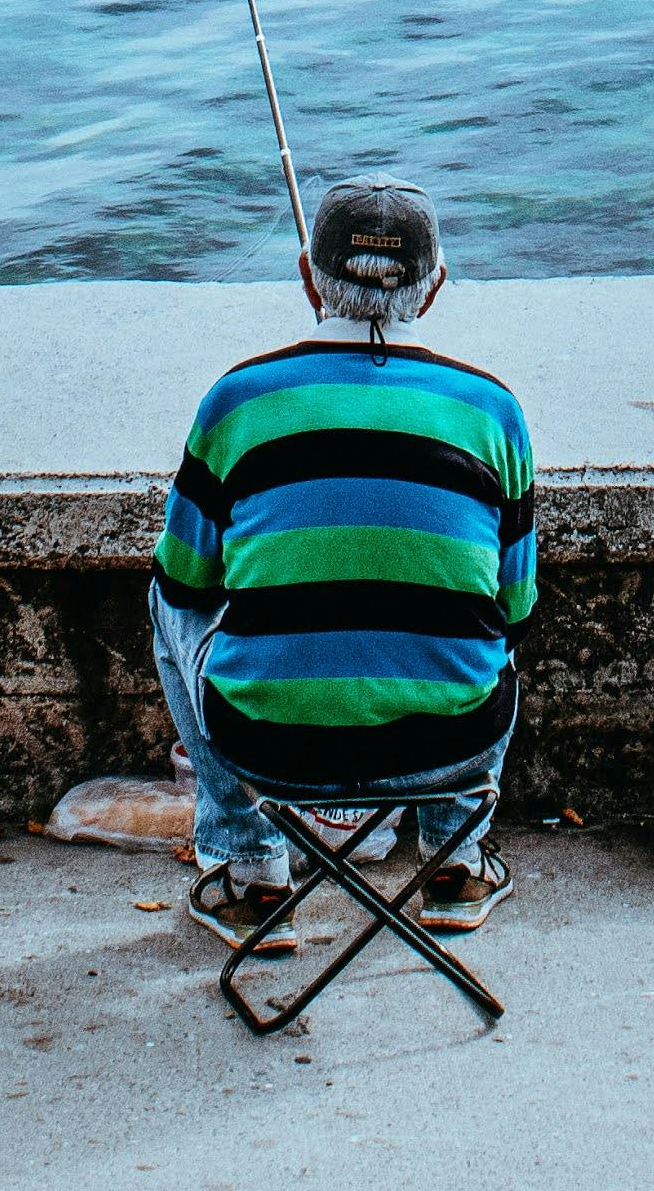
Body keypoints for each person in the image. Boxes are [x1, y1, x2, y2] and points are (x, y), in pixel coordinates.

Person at [149, 178, 536, 941]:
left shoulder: (238, 400)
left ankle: (250, 870)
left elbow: (184, 578)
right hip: (448, 748)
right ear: (432, 291)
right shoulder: (492, 409)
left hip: (269, 748)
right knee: (482, 617)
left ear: (306, 278)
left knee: (167, 600)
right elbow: (515, 609)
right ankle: (454, 862)